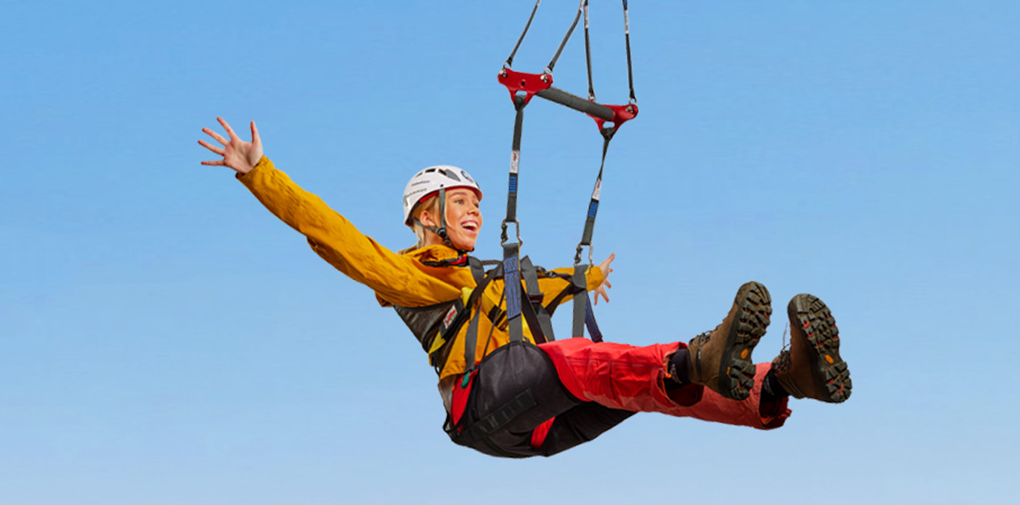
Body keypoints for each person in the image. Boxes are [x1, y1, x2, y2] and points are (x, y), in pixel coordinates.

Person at [199, 117, 852, 458]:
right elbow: (338, 238)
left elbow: (552, 281)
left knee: (650, 389)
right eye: (460, 202)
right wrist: (262, 176)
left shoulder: (502, 278)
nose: (474, 211)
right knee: (577, 360)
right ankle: (692, 357)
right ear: (427, 215)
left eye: (477, 202)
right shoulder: (414, 279)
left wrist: (590, 276)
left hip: (543, 425)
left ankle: (776, 383)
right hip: (485, 408)